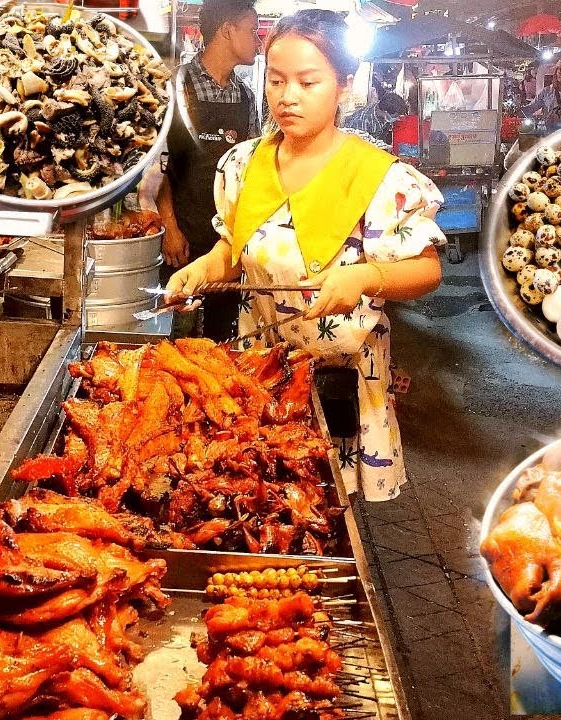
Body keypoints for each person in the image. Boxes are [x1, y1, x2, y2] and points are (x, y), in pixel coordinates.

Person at [165, 9, 445, 501]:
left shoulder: (380, 178)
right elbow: (233, 248)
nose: (287, 96)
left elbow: (427, 270)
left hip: (345, 379)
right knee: (264, 494)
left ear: (345, 85)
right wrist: (200, 271)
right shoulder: (241, 164)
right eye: (275, 80)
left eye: (307, 82)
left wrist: (364, 278)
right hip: (262, 371)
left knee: (332, 507)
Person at [157, 0, 262, 341]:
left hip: (227, 243)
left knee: (223, 337)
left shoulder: (245, 97)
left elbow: (252, 170)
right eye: (253, 30)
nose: (258, 40)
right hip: (181, 237)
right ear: (228, 30)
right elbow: (159, 167)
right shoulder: (176, 87)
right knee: (176, 329)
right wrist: (170, 227)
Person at [521, 61, 561, 128]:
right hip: (550, 131)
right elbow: (533, 106)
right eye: (559, 70)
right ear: (556, 72)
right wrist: (518, 110)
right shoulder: (546, 91)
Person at [342, 92, 407, 146]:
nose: (396, 118)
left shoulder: (383, 108)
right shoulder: (363, 121)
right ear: (385, 112)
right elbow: (360, 147)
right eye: (395, 116)